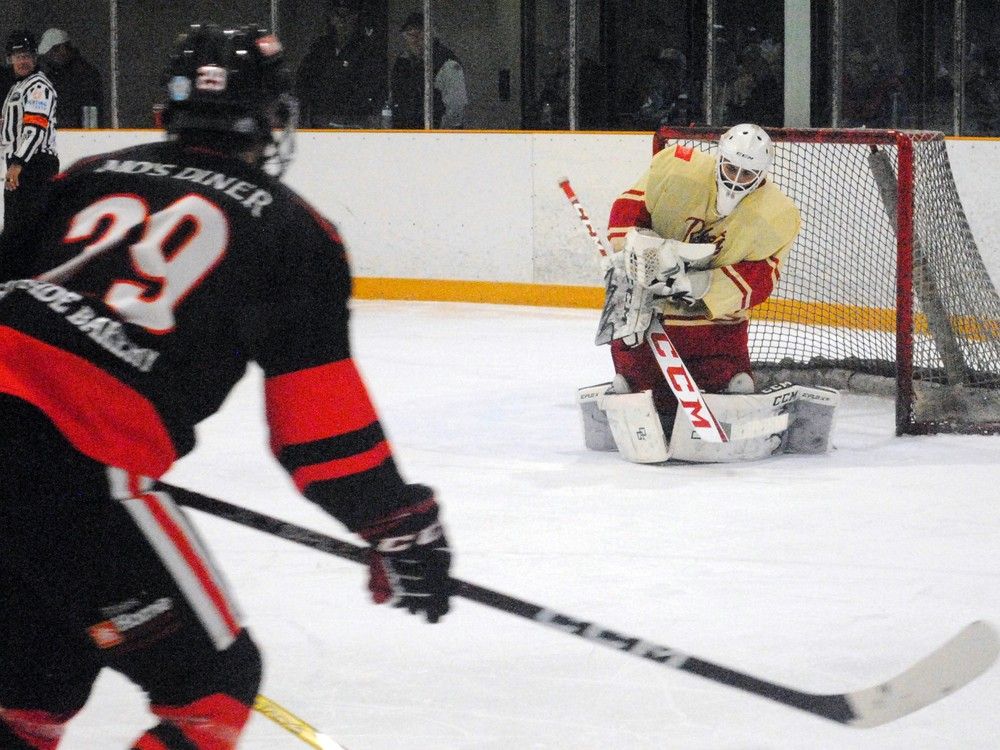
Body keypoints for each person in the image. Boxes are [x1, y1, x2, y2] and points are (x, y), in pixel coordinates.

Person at [0, 23, 454, 750]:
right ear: (273, 122)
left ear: (166, 113)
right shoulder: (294, 231)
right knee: (212, 688)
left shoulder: (86, 176)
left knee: (36, 685)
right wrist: (398, 524)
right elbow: (320, 432)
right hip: (78, 471)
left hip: (46, 470)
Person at [578, 124, 832, 463]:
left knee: (725, 376)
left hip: (710, 318)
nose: (736, 178)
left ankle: (726, 388)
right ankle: (632, 388)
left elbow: (762, 277)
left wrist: (699, 286)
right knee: (633, 356)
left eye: (747, 174)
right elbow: (630, 205)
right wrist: (633, 251)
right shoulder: (675, 166)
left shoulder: (777, 215)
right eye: (731, 168)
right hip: (646, 304)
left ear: (762, 174)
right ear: (719, 159)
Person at [1, 30, 59, 250]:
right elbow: (15, 128)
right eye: (18, 56)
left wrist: (17, 164)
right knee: (15, 230)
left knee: (29, 232)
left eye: (26, 56)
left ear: (35, 57)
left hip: (34, 166)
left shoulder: (38, 87)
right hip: (21, 165)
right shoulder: (19, 87)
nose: (22, 61)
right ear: (10, 59)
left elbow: (34, 130)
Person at [294, 0, 385, 127]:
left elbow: (371, 87)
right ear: (332, 18)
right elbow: (303, 81)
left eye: (348, 15)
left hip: (352, 123)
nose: (343, 20)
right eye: (338, 15)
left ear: (355, 18)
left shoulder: (367, 49)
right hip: (320, 121)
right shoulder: (320, 47)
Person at [391, 12, 467, 129]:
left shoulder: (447, 64)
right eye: (411, 35)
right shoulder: (402, 62)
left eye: (420, 35)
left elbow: (456, 108)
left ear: (431, 35)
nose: (416, 41)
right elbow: (394, 97)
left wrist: (439, 137)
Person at [38, 27, 104, 128]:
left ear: (63, 49)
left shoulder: (83, 75)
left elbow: (88, 111)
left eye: (53, 51)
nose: (49, 57)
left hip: (76, 135)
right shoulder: (52, 72)